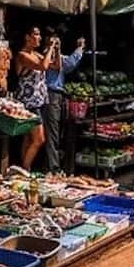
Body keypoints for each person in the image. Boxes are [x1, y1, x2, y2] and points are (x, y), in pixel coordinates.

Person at [43, 25, 85, 172]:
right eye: (52, 39)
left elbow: (69, 63)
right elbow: (60, 65)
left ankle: (53, 165)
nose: (55, 42)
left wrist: (79, 49)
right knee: (51, 132)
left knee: (56, 131)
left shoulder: (57, 56)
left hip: (57, 96)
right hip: (50, 95)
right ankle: (52, 168)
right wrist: (55, 48)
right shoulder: (44, 57)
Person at [15, 27, 56, 170]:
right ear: (27, 37)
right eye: (36, 34)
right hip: (29, 102)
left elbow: (56, 66)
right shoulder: (22, 55)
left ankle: (24, 167)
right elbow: (43, 66)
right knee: (39, 139)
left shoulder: (37, 54)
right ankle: (26, 168)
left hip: (38, 101)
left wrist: (56, 49)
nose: (39, 37)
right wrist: (50, 48)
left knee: (29, 138)